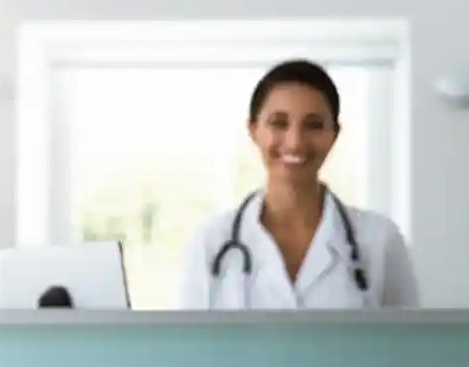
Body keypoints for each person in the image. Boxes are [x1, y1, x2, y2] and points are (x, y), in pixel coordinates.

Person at [179, 59, 419, 309]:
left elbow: (411, 345)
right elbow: (188, 346)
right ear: (253, 130)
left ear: (334, 134)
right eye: (279, 123)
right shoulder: (211, 242)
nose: (295, 142)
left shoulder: (380, 240)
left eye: (313, 125)